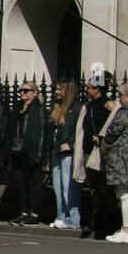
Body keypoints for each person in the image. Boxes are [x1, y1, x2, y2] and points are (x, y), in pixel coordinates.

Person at [99, 82, 128, 243]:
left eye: (121, 95)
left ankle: (126, 230)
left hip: (122, 156)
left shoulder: (124, 113)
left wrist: (104, 147)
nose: (119, 98)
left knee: (124, 194)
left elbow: (112, 132)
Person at [73, 79, 117, 237]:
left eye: (90, 87)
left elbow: (114, 125)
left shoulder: (108, 104)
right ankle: (96, 217)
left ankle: (110, 220)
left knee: (105, 187)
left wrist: (103, 138)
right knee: (93, 187)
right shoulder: (88, 105)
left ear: (98, 89)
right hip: (88, 149)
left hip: (101, 150)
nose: (86, 89)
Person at [6, 80, 45, 226]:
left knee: (33, 183)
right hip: (18, 150)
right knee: (20, 183)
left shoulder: (38, 109)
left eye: (26, 90)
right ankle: (23, 212)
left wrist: (40, 153)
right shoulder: (18, 108)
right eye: (21, 90)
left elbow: (42, 132)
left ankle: (34, 214)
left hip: (32, 150)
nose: (22, 93)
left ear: (34, 94)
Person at [47, 80, 82, 229]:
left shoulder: (76, 108)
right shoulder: (57, 107)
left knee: (69, 185)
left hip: (68, 150)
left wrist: (71, 143)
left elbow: (79, 129)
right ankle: (61, 215)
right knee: (58, 185)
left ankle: (73, 219)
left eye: (60, 90)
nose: (57, 92)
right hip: (57, 148)